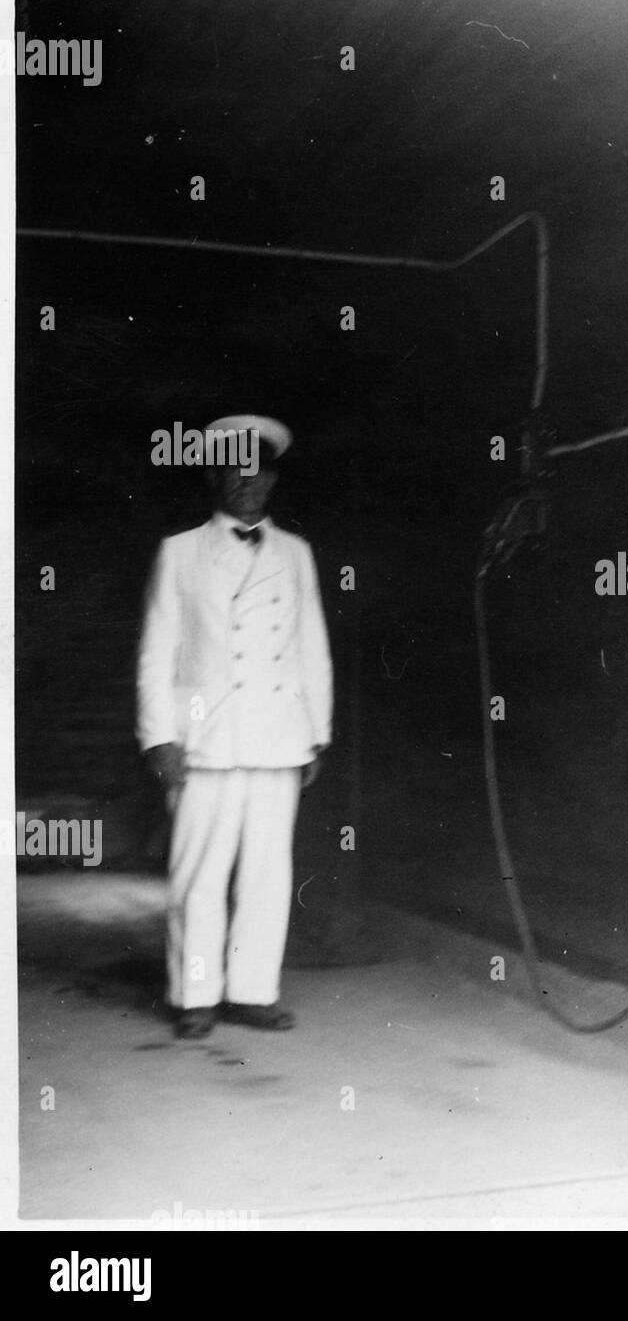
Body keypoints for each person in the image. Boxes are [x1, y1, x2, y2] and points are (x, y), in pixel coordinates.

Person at [137, 414, 332, 1039]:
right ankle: (195, 995)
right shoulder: (180, 552)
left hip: (277, 737)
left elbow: (312, 650)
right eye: (237, 468)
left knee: (268, 873)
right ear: (214, 473)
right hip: (205, 740)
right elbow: (156, 651)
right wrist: (159, 736)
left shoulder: (296, 555)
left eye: (263, 469)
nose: (250, 481)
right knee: (198, 874)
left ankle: (252, 993)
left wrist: (315, 735)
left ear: (272, 479)